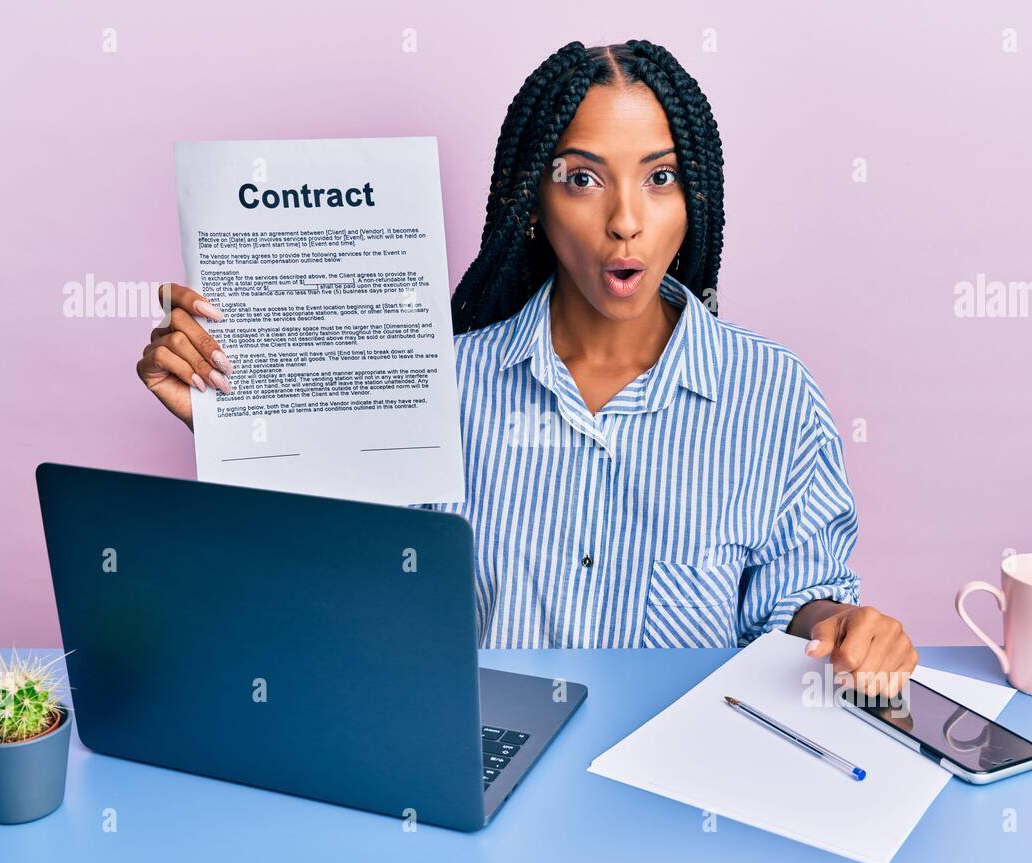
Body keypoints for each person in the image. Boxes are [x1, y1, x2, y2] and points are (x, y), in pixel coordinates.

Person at [137, 40, 919, 698]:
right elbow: (349, 580)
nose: (625, 219)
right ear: (532, 204)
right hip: (475, 772)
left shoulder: (773, 397)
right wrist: (242, 423)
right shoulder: (442, 384)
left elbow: (790, 607)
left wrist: (839, 627)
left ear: (696, 200)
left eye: (660, 177)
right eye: (582, 178)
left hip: (682, 794)